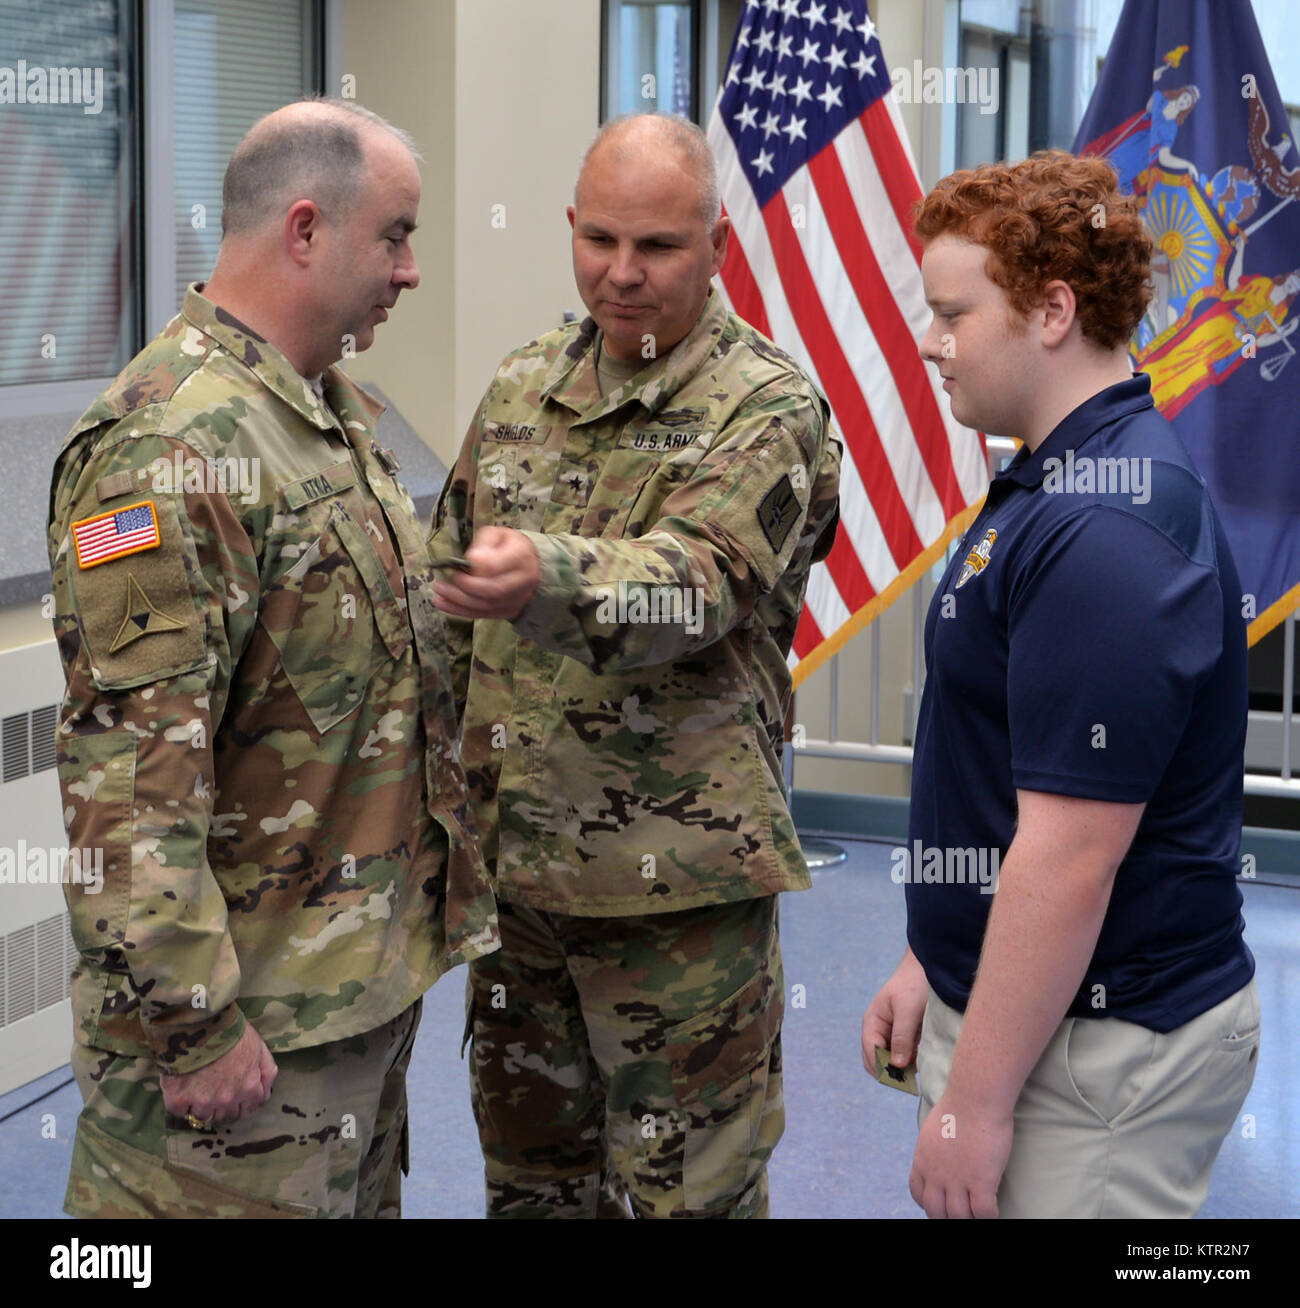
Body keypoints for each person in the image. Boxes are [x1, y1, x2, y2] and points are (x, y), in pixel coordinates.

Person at [47, 98, 497, 1219]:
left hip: (345, 1000)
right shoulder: (168, 447)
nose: (410, 272)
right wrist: (194, 1026)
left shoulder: (326, 409)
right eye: (395, 236)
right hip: (241, 1045)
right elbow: (129, 788)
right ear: (306, 230)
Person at [429, 113, 841, 1218]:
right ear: (569, 228)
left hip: (678, 908)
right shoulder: (522, 388)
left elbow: (695, 584)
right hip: (520, 894)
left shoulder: (767, 406)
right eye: (599, 239)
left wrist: (545, 578)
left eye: (656, 247)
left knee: (683, 1200)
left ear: (716, 247)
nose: (622, 274)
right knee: (532, 1189)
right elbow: (446, 604)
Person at [862, 150, 1259, 1220]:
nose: (929, 342)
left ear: (1050, 311)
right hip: (1035, 1008)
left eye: (952, 313)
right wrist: (936, 957)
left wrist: (974, 1103)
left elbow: (1071, 857)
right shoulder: (1054, 473)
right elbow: (1000, 771)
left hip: (1096, 1056)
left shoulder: (1105, 528)